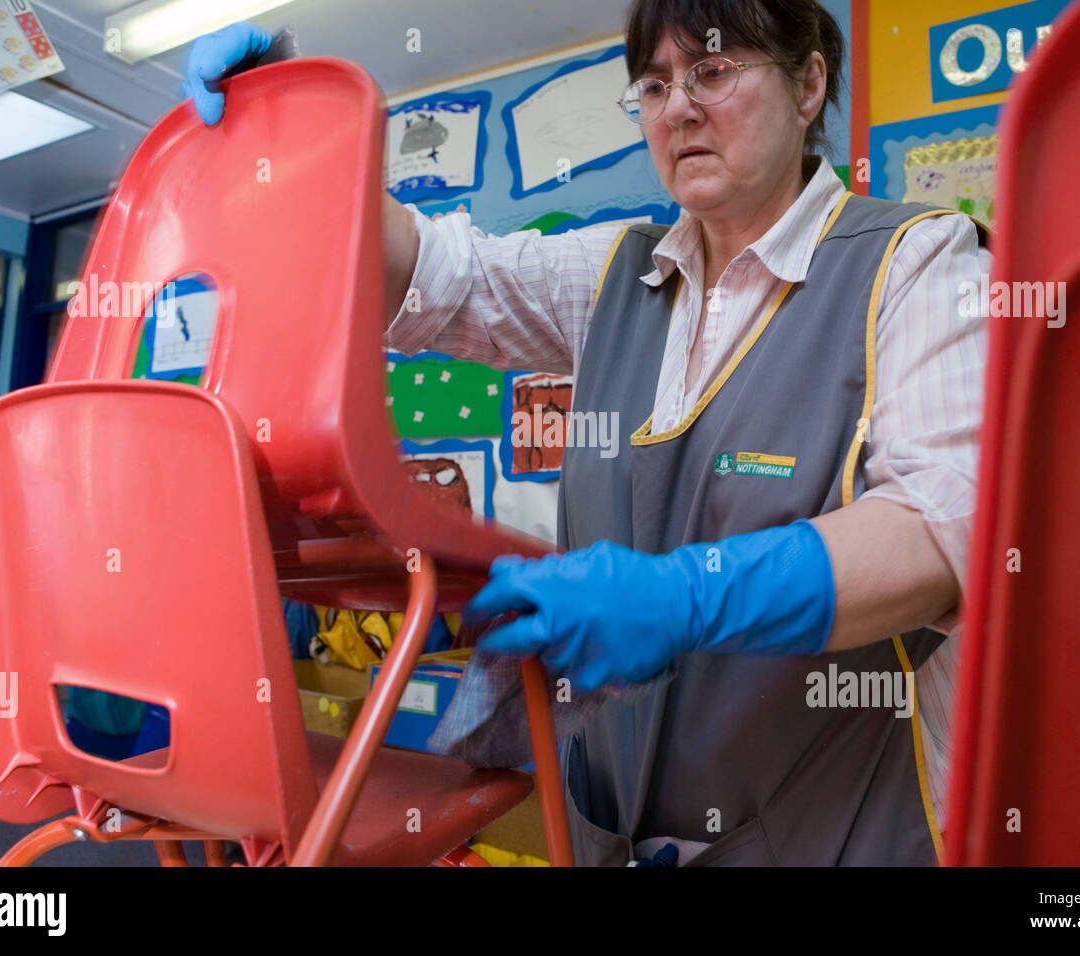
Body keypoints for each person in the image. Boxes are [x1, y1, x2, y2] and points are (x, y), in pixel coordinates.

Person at [184, 0, 991, 866]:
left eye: (712, 71)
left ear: (809, 85)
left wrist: (683, 598)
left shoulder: (916, 262)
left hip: (839, 837)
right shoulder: (619, 272)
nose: (677, 107)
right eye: (652, 84)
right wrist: (296, 127)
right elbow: (428, 274)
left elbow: (936, 534)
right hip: (614, 836)